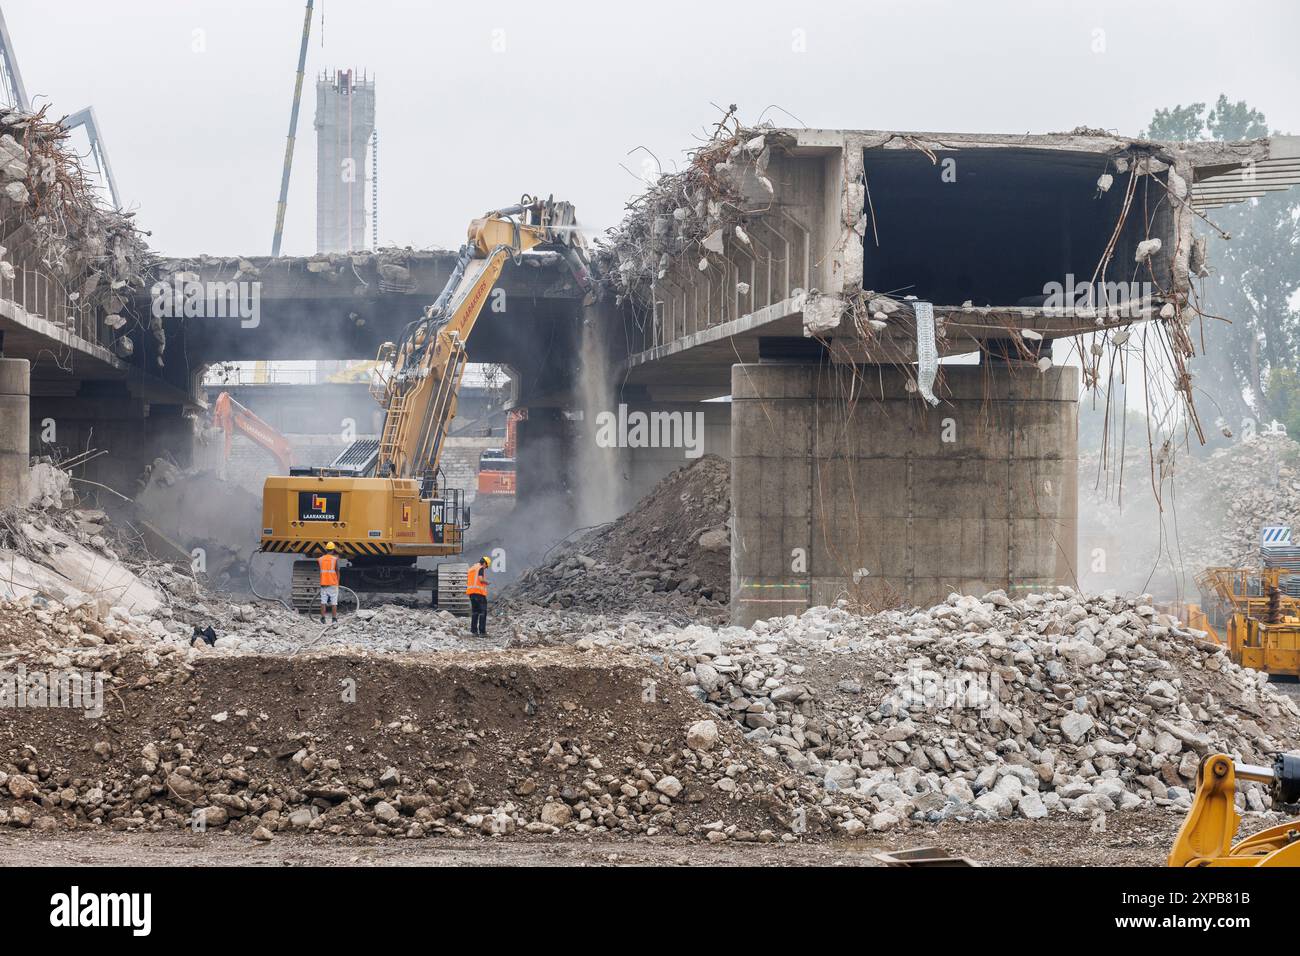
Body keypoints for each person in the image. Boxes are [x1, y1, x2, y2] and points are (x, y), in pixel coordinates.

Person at [466, 555, 491, 636]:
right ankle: (482, 632)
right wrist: (486, 582)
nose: (485, 568)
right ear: (484, 563)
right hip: (479, 594)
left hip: (472, 594)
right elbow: (480, 579)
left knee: (475, 612)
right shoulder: (480, 568)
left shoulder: (472, 568)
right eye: (486, 566)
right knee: (482, 612)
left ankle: (474, 631)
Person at [318, 542, 340, 624]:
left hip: (323, 584)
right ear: (333, 550)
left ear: (326, 549)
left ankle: (323, 618)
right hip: (333, 583)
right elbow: (337, 570)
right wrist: (338, 582)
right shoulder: (334, 559)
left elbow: (321, 571)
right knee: (334, 602)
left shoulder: (320, 559)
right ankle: (334, 619)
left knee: (323, 602)